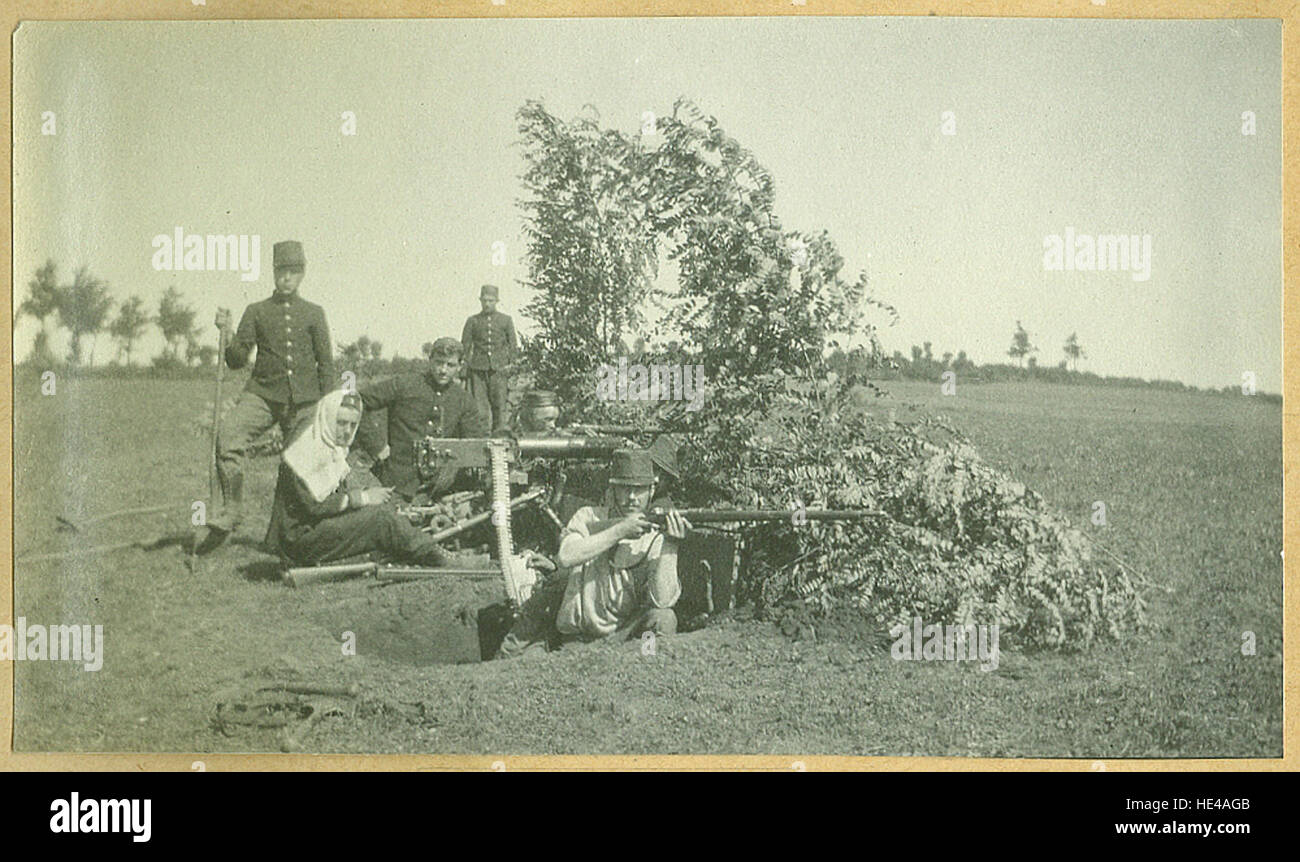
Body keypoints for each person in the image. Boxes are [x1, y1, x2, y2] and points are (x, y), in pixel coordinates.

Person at [201, 240, 335, 554]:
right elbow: (236, 359)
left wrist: (326, 405)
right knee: (230, 435)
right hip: (262, 394)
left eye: (293, 272)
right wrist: (227, 331)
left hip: (304, 400)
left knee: (295, 466)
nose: (286, 277)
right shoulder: (257, 311)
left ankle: (279, 538)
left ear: (302, 275)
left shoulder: (314, 314)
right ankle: (232, 509)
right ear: (273, 274)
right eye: (281, 271)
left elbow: (326, 364)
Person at [495, 448, 689, 658]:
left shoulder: (655, 536)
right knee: (531, 660)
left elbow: (663, 600)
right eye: (624, 489)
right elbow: (567, 556)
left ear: (651, 491)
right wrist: (620, 530)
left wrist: (671, 545)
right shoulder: (588, 517)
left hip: (625, 635)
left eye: (639, 490)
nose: (632, 498)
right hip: (578, 638)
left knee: (663, 619)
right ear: (613, 490)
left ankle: (645, 665)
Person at [264, 389, 467, 568]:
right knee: (379, 518)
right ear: (327, 417)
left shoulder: (326, 444)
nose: (347, 431)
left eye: (353, 425)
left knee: (383, 512)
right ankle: (439, 557)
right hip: (298, 542)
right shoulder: (305, 452)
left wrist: (364, 499)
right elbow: (314, 506)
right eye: (341, 423)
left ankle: (422, 549)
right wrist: (363, 498)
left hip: (311, 531)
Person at [355, 337, 488, 501]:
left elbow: (473, 441)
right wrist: (376, 445)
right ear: (430, 360)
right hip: (398, 483)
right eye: (439, 362)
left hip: (442, 488)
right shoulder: (404, 384)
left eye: (450, 365)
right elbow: (355, 401)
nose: (443, 370)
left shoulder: (463, 399)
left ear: (460, 367)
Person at [461, 284, 517, 432]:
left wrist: (511, 365)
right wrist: (464, 369)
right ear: (480, 301)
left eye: (491, 300)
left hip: (499, 370)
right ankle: (482, 439)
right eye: (484, 300)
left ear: (496, 301)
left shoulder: (506, 320)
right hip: (477, 370)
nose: (487, 304)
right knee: (480, 409)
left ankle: (499, 438)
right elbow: (465, 346)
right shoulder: (472, 321)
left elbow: (513, 345)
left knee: (500, 407)